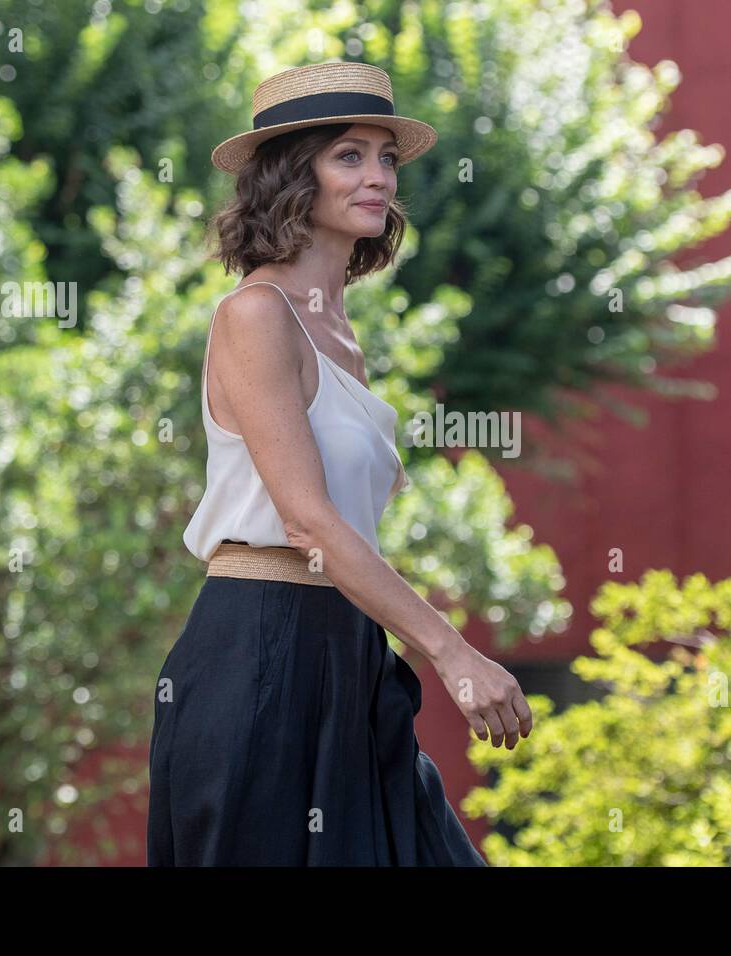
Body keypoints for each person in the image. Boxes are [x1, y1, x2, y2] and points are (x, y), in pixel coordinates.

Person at [147, 61, 532, 866]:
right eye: (349, 156)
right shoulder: (255, 316)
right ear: (294, 174)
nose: (379, 177)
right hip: (260, 652)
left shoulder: (344, 340)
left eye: (387, 157)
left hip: (349, 656)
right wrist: (453, 653)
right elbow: (308, 518)